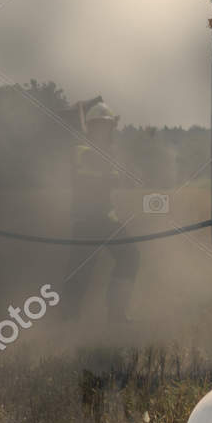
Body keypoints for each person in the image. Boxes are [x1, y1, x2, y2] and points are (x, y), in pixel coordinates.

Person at [61, 101, 139, 327]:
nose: (104, 131)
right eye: (100, 126)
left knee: (130, 256)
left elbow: (116, 179)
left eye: (108, 127)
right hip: (86, 220)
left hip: (106, 219)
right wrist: (107, 166)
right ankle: (68, 320)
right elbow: (94, 173)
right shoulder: (81, 150)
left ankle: (116, 314)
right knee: (80, 270)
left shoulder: (106, 153)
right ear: (91, 127)